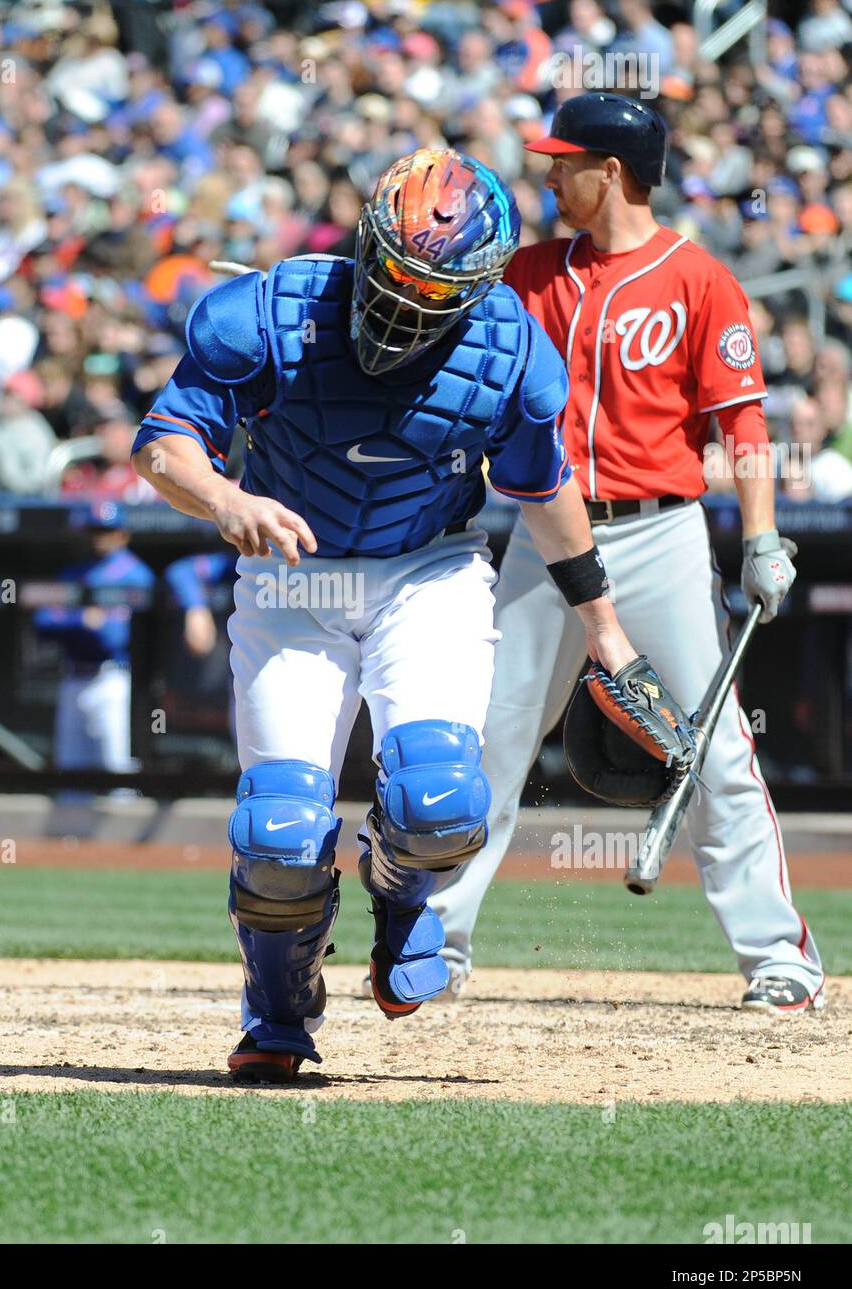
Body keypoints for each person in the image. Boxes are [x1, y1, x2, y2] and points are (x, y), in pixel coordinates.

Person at [133, 148, 678, 1082]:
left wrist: (604, 627)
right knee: (276, 830)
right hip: (292, 575)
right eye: (395, 274)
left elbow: (543, 495)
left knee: (440, 799)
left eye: (436, 289)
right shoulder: (270, 315)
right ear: (364, 244)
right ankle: (277, 1011)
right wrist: (225, 500)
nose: (408, 305)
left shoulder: (510, 354)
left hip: (428, 569)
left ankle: (401, 905)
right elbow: (160, 447)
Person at [428, 94, 825, 1016]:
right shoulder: (526, 272)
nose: (549, 173)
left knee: (715, 749)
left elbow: (742, 420)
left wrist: (759, 533)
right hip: (543, 531)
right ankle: (433, 943)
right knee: (490, 738)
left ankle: (778, 956)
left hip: (659, 531)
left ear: (611, 171)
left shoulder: (698, 277)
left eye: (564, 161)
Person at [34, 500, 155, 785]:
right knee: (70, 772)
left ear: (123, 534)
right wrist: (81, 621)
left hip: (113, 679)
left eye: (107, 531)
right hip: (73, 677)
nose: (100, 537)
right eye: (95, 530)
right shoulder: (74, 573)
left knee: (117, 770)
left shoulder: (135, 574)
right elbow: (43, 622)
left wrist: (73, 619)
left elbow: (112, 635)